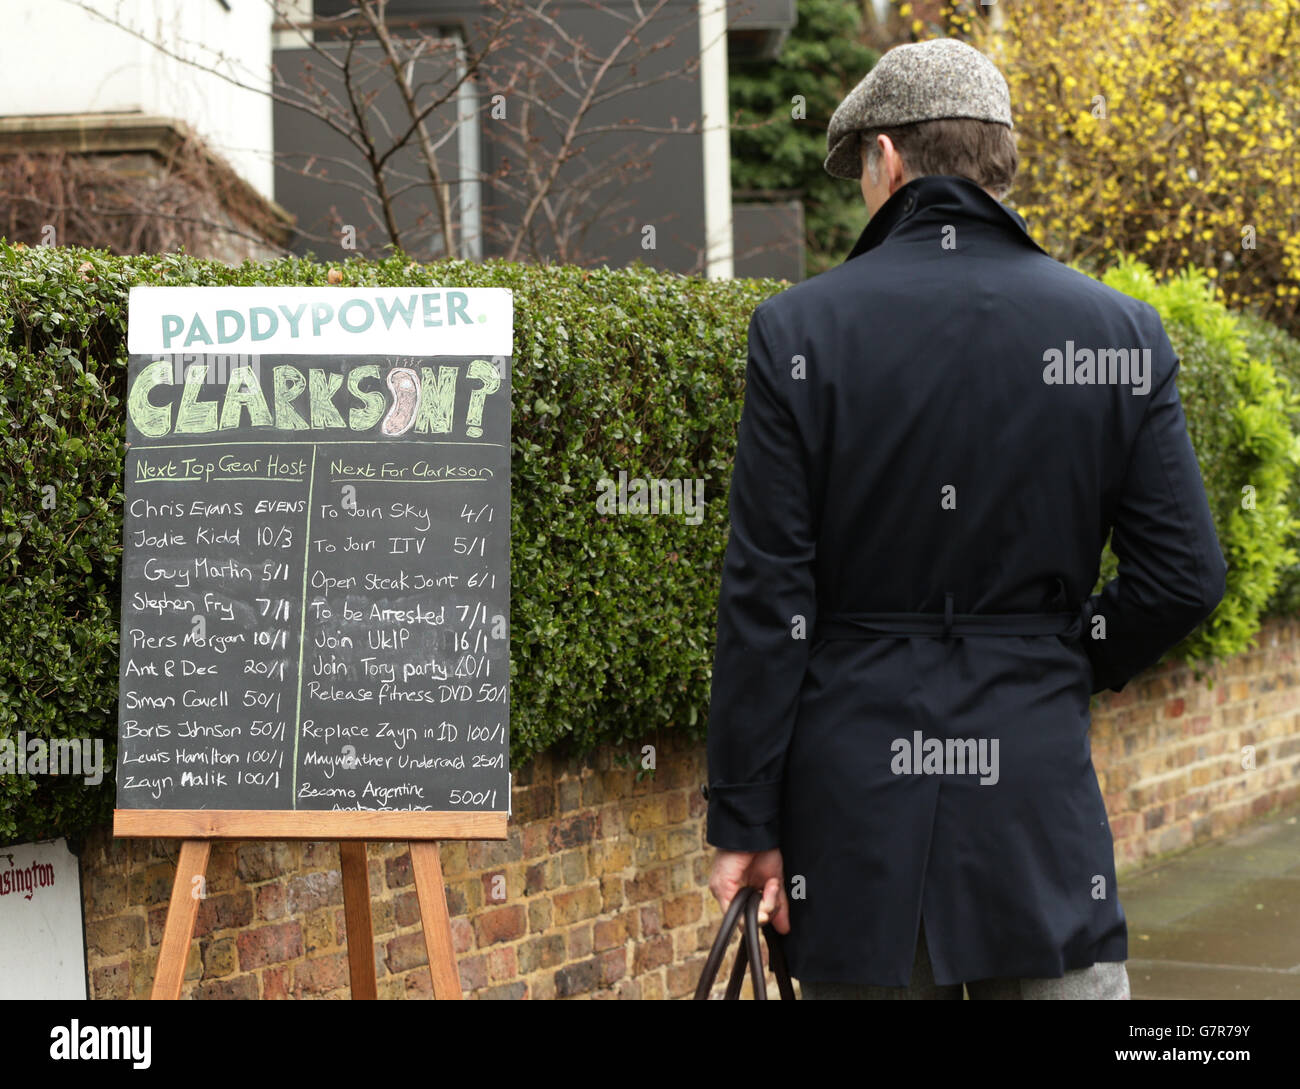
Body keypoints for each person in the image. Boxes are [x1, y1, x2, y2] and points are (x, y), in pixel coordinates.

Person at [703, 37, 1227, 1000]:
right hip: (1039, 828)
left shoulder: (799, 332)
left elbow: (766, 600)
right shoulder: (1119, 332)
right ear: (999, 163)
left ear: (889, 159)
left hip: (856, 835)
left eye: (862, 167)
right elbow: (1185, 576)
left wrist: (745, 821)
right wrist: (1069, 655)